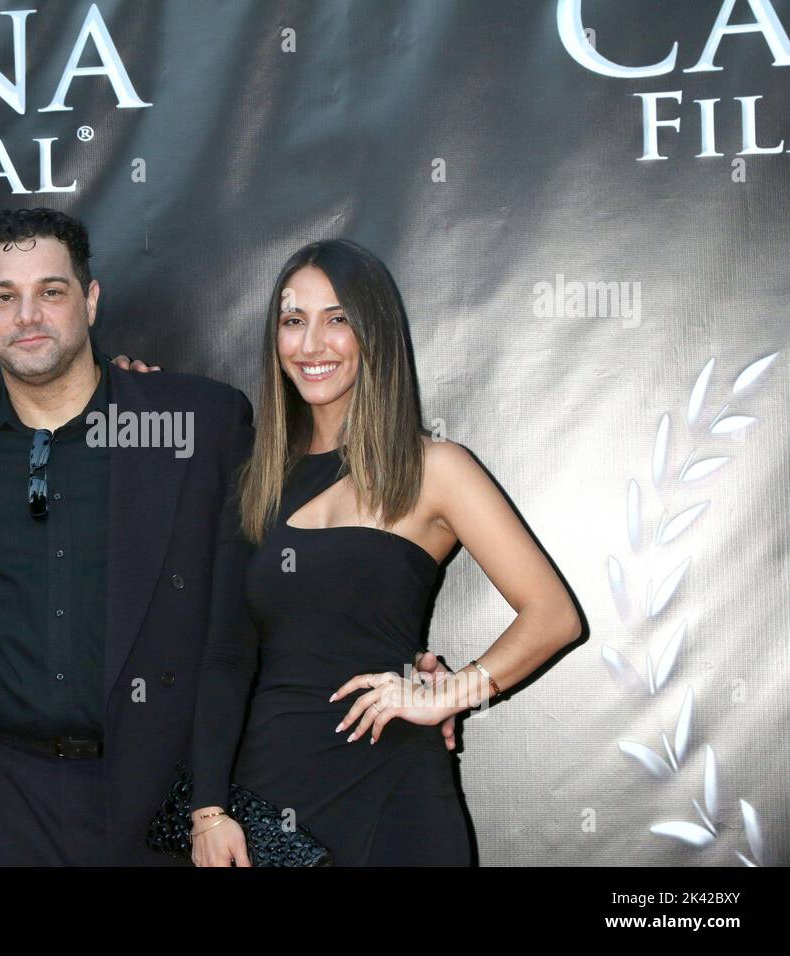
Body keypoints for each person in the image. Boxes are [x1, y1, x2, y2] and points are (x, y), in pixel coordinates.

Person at [0, 207, 268, 865]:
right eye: (4, 297)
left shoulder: (198, 426)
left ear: (90, 302)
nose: (27, 315)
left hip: (160, 799)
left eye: (51, 291)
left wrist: (209, 800)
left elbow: (238, 629)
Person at [189, 239, 581, 866]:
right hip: (267, 795)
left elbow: (554, 616)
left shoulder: (436, 468)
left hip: (396, 795)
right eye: (294, 321)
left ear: (373, 333)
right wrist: (208, 809)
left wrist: (449, 695)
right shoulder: (254, 477)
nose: (311, 344)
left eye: (337, 318)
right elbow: (226, 657)